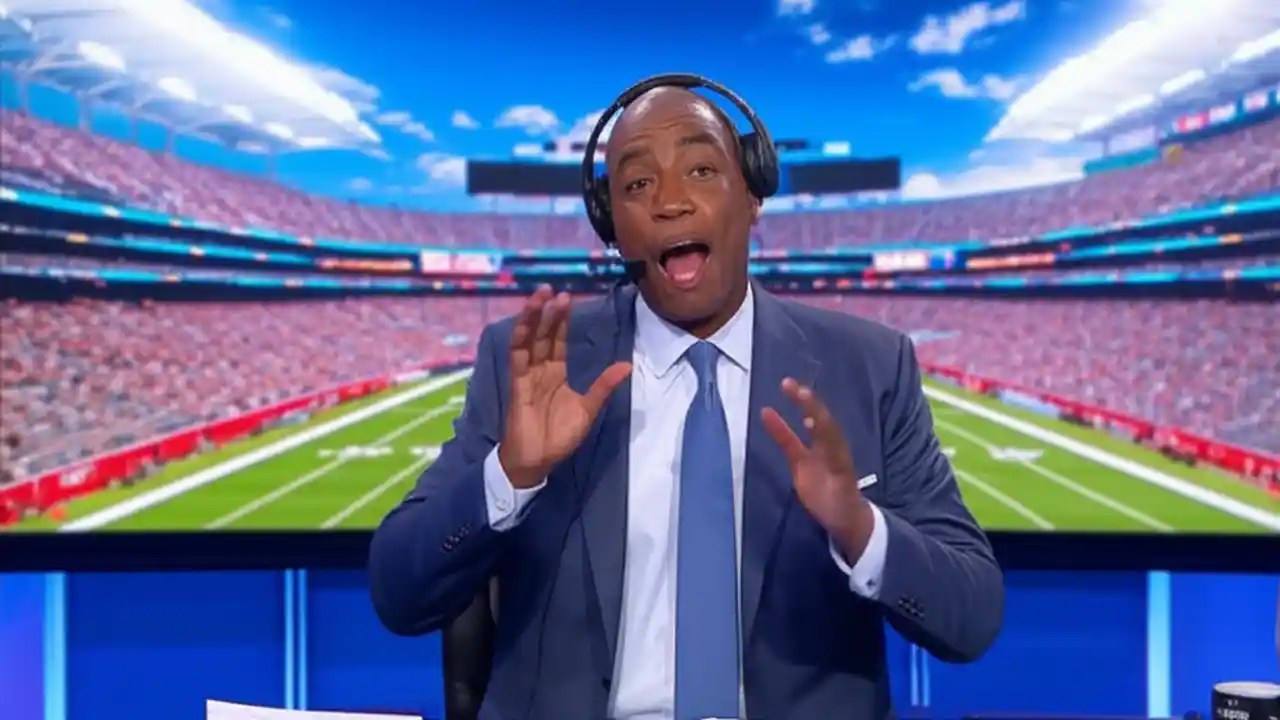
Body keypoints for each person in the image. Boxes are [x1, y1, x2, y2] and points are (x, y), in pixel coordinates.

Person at [369, 75, 1004, 720]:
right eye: (637, 184)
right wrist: (511, 475)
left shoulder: (868, 365)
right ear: (609, 221)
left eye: (701, 169)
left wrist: (860, 529)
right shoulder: (537, 363)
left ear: (752, 194)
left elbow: (972, 618)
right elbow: (399, 594)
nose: (669, 202)